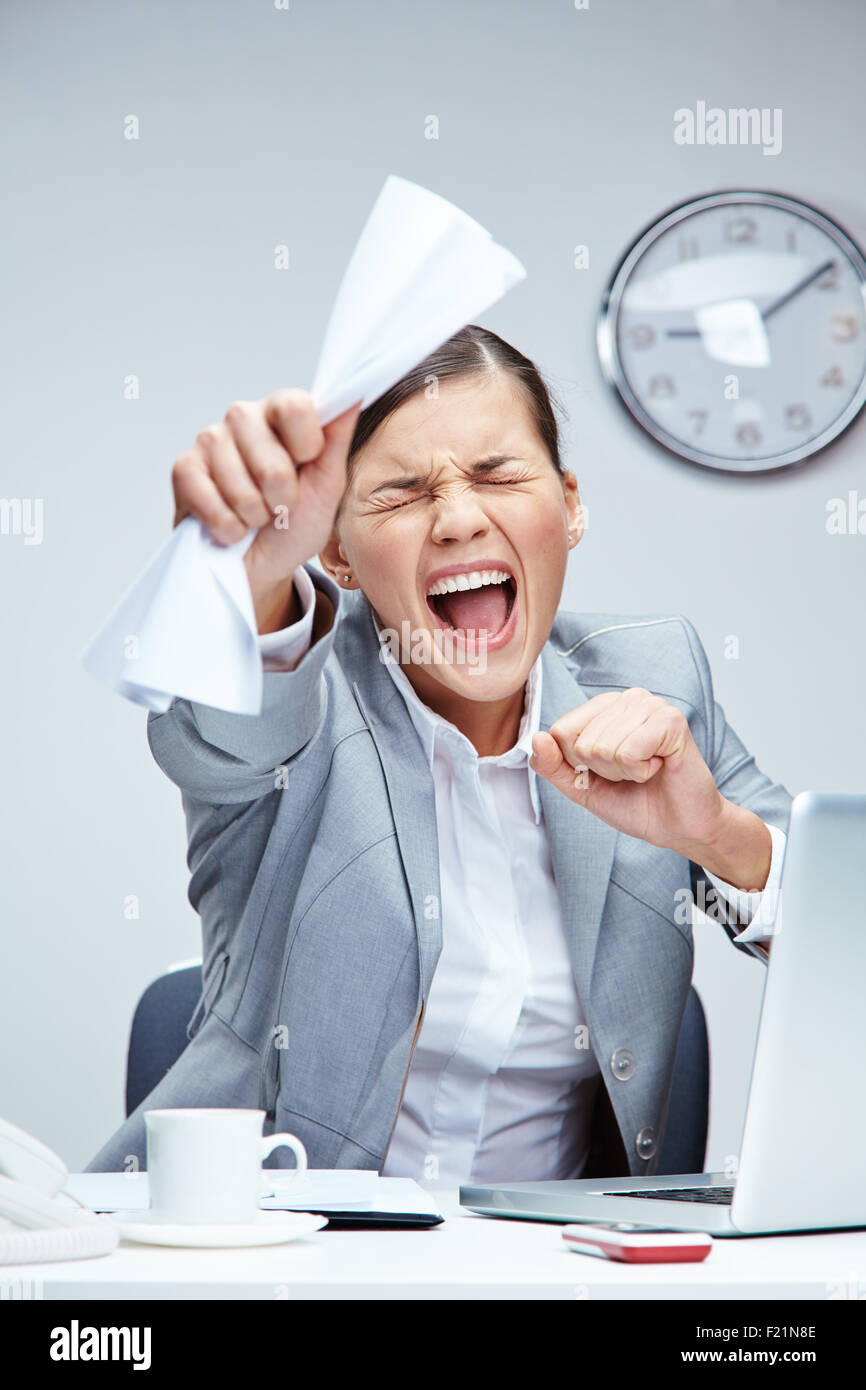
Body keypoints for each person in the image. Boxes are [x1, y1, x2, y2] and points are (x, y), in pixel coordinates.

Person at [85, 325, 791, 1184]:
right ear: (337, 552)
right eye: (403, 492)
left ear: (569, 506)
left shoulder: (653, 679)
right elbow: (225, 735)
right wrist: (252, 577)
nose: (459, 518)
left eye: (497, 475)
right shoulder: (306, 692)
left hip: (551, 1264)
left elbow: (839, 926)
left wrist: (717, 835)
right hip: (285, 1253)